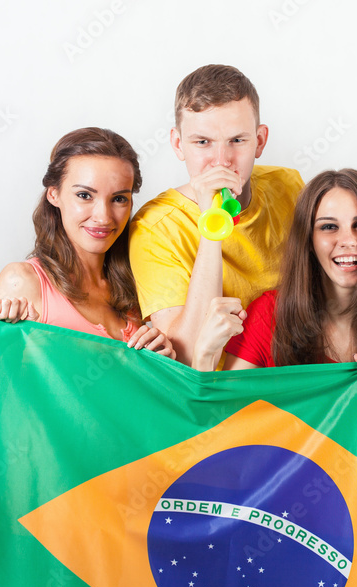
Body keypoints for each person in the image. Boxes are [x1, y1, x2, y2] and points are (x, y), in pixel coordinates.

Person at [128, 64, 304, 365]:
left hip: (296, 381)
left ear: (259, 141)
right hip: (219, 396)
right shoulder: (155, 228)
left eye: (237, 140)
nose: (221, 162)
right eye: (202, 142)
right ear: (178, 144)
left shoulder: (288, 186)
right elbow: (183, 358)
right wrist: (212, 224)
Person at [192, 169, 357, 374]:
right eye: (329, 227)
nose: (348, 241)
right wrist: (203, 356)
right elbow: (226, 414)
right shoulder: (268, 316)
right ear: (308, 240)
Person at [0, 127, 174, 358]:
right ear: (53, 194)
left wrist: (163, 364)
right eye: (85, 195)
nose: (103, 217)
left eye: (119, 199)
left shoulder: (134, 286)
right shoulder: (22, 282)